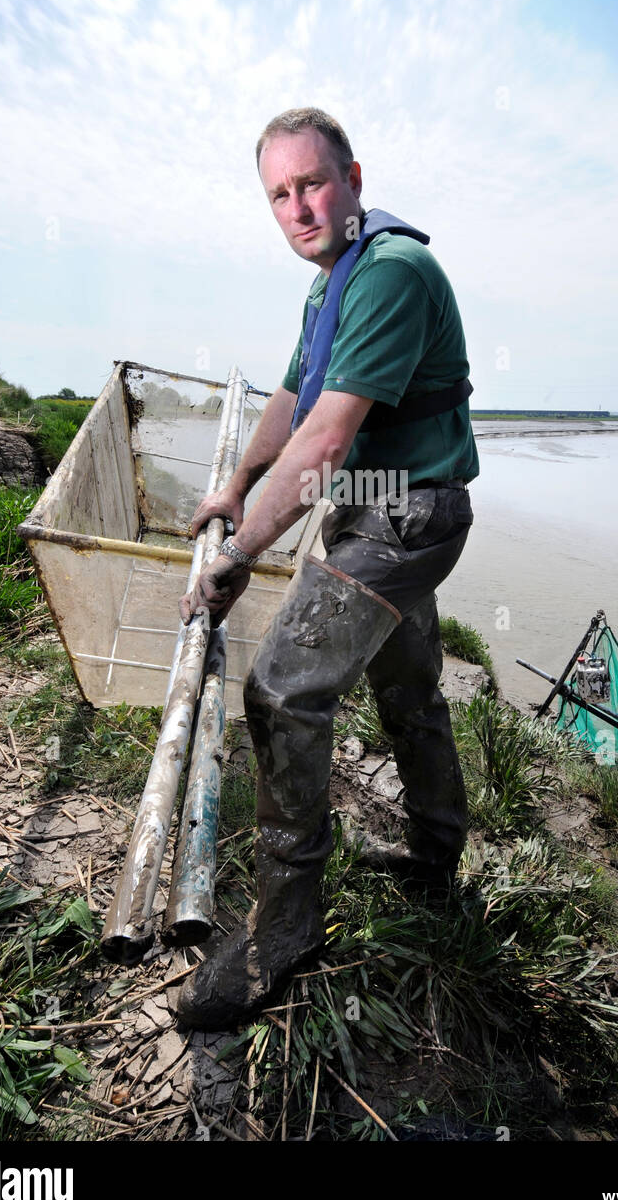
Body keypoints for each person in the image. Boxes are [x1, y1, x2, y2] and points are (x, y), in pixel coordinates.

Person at [176, 107, 479, 1029]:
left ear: (352, 179)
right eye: (279, 194)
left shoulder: (390, 271)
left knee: (281, 691)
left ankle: (285, 930)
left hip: (407, 519)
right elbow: (291, 399)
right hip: (370, 509)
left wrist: (239, 555)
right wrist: (235, 486)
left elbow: (325, 440)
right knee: (407, 688)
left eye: (311, 183)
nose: (298, 208)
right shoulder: (330, 284)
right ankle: (436, 859)